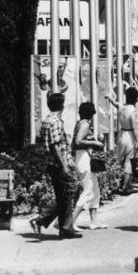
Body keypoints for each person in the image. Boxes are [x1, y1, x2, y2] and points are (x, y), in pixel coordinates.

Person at [29, 92, 81, 239]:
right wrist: (64, 165)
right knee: (68, 194)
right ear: (62, 106)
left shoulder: (46, 120)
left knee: (63, 195)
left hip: (52, 164)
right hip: (59, 163)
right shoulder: (56, 122)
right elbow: (56, 146)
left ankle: (59, 226)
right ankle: (63, 227)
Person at [71, 101, 107, 231]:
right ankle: (71, 220)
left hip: (81, 157)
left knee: (95, 189)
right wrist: (95, 142)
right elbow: (78, 141)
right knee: (88, 190)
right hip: (84, 158)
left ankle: (94, 221)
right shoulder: (85, 124)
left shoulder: (80, 123)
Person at [106, 87, 138, 194]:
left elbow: (115, 103)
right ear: (136, 98)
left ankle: (115, 183)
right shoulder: (133, 111)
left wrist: (109, 98)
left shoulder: (122, 107)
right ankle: (126, 187)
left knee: (119, 160)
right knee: (129, 162)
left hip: (121, 134)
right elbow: (135, 128)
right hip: (130, 136)